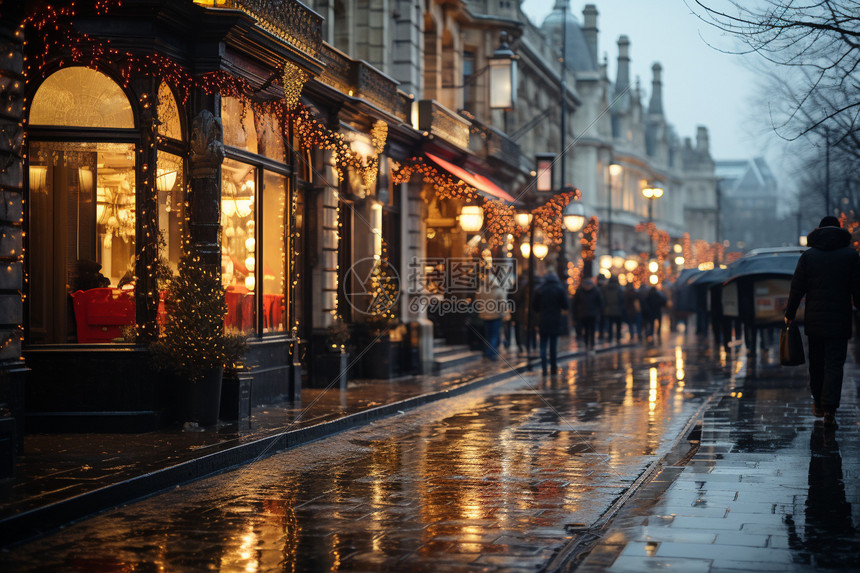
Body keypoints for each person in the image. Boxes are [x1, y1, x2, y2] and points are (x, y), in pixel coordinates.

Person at [785, 216, 860, 429]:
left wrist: (789, 313)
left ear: (819, 231)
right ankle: (830, 410)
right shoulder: (851, 256)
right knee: (835, 364)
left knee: (816, 364)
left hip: (815, 321)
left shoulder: (809, 257)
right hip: (840, 320)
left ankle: (818, 401)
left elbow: (796, 288)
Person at [533, 270, 569, 375]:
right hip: (555, 320)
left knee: (543, 345)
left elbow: (534, 306)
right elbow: (565, 305)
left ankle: (544, 367)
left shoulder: (539, 290)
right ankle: (553, 367)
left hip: (543, 319)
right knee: (553, 345)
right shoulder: (559, 289)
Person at [475, 275, 508, 361]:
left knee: (488, 335)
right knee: (494, 335)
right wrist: (504, 314)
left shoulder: (481, 289)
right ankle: (491, 352)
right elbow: (503, 304)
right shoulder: (498, 290)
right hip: (496, 316)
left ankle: (488, 351)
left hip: (484, 316)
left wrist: (482, 309)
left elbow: (477, 301)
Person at [572, 277, 604, 353]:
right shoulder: (594, 291)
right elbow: (575, 304)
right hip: (586, 314)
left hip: (588, 314)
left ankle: (590, 344)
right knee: (588, 330)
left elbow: (600, 303)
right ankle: (589, 344)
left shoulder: (582, 291)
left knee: (589, 330)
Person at [602, 275, 624, 343]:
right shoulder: (619, 288)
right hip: (617, 309)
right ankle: (618, 337)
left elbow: (604, 299)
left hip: (608, 309)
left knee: (610, 325)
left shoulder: (606, 289)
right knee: (618, 325)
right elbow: (621, 299)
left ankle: (610, 337)